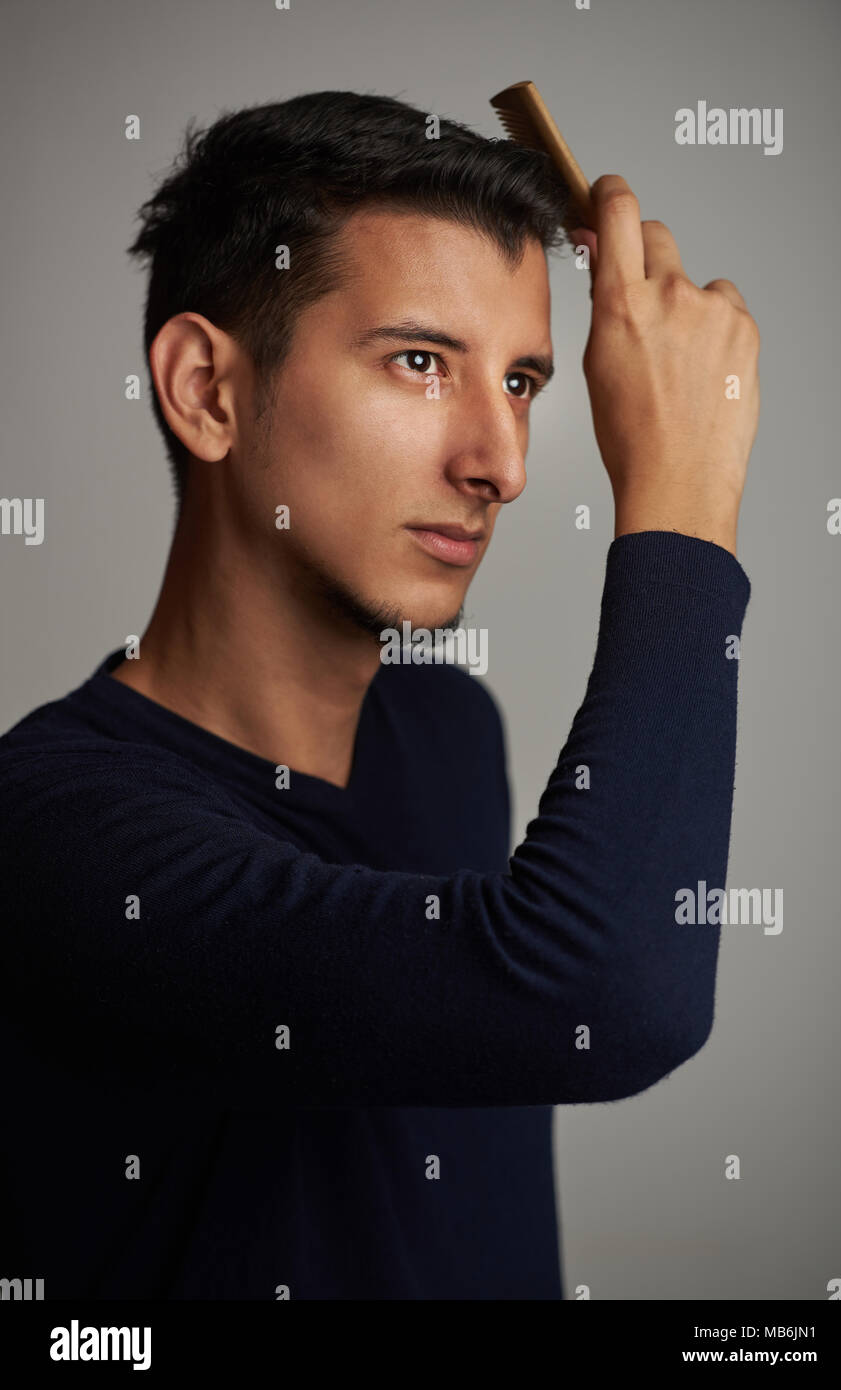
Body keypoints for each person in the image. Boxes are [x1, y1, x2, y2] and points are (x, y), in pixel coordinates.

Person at [0, 90, 759, 1300]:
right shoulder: (56, 838)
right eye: (420, 362)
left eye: (519, 382)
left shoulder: (450, 730)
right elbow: (604, 994)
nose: (500, 464)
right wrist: (681, 509)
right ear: (206, 389)